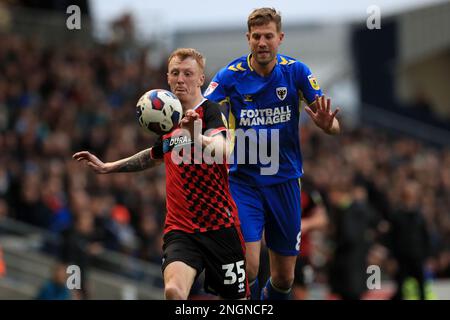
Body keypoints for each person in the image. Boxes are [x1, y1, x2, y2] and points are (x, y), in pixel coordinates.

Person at [73, 48, 249, 300]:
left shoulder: (210, 111)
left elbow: (222, 148)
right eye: (175, 73)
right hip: (181, 229)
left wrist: (196, 136)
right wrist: (108, 166)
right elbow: (153, 155)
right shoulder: (167, 118)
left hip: (220, 227)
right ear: (167, 77)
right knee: (173, 292)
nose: (181, 79)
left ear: (201, 79)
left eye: (188, 73)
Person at [204, 7, 340, 300]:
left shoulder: (297, 72)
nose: (262, 42)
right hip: (244, 181)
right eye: (256, 37)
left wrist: (329, 125)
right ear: (248, 39)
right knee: (248, 268)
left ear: (280, 38)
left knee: (283, 278)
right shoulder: (231, 75)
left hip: (285, 182)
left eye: (268, 36)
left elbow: (334, 125)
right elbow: (201, 109)